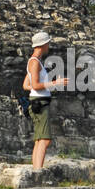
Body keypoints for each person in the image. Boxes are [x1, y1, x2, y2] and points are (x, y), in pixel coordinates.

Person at [24, 31, 68, 170]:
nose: (49, 46)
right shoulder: (35, 63)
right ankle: (38, 172)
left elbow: (26, 85)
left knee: (39, 139)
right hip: (40, 103)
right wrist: (55, 83)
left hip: (38, 101)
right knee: (45, 139)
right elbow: (35, 85)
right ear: (43, 44)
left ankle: (36, 170)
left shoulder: (33, 62)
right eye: (48, 43)